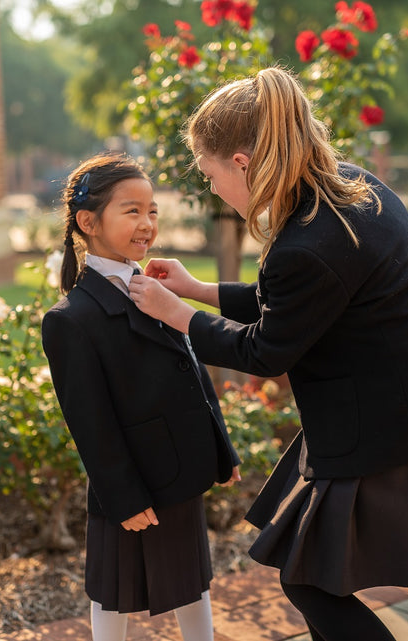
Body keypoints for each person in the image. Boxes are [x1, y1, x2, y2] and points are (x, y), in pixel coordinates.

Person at [128, 67, 408, 641]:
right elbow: (302, 303)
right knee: (313, 577)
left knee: (309, 581)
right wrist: (199, 289)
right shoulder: (350, 187)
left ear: (241, 162)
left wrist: (178, 315)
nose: (210, 188)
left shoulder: (307, 243)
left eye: (210, 174)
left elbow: (267, 349)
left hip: (394, 428)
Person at [41, 152, 241, 641]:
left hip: (180, 468)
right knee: (114, 589)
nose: (147, 223)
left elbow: (190, 370)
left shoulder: (151, 287)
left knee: (193, 581)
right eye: (131, 211)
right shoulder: (71, 319)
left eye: (152, 210)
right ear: (88, 222)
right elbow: (89, 421)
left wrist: (221, 447)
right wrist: (123, 495)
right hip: (131, 482)